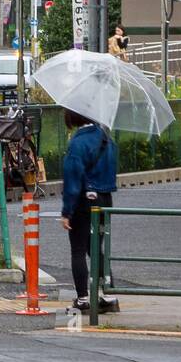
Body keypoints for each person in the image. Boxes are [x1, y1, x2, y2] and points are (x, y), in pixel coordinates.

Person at [60, 107, 119, 313]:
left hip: (84, 201)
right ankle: (107, 294)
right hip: (105, 198)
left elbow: (72, 180)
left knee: (78, 250)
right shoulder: (105, 138)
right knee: (97, 249)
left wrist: (67, 212)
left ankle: (83, 298)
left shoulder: (77, 143)